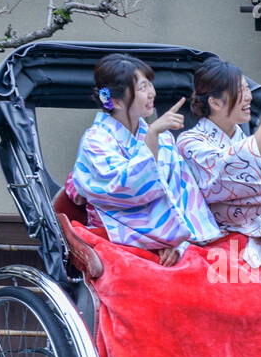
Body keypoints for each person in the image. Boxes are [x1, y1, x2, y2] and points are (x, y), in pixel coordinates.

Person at [66, 53, 221, 266]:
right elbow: (126, 189)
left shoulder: (161, 137)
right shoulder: (95, 140)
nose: (151, 94)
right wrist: (151, 137)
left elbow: (181, 191)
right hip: (115, 236)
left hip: (169, 239)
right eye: (142, 88)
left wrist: (178, 242)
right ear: (116, 101)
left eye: (150, 86)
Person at [175, 58, 261, 271]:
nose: (249, 97)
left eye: (247, 89)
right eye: (240, 91)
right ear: (215, 103)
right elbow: (227, 168)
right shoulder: (189, 143)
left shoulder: (244, 143)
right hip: (210, 243)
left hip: (258, 240)